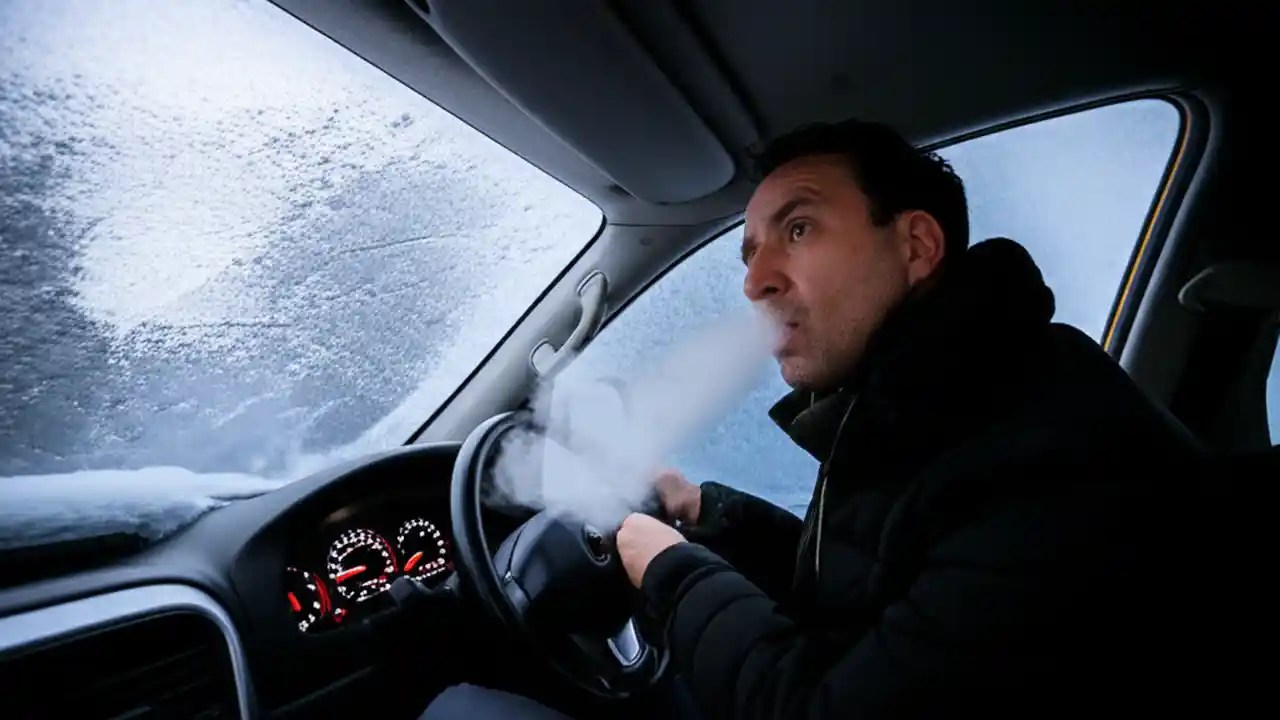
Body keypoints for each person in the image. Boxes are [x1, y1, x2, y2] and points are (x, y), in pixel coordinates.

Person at [428, 119, 1199, 718]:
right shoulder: (942, 398)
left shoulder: (1049, 448)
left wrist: (659, 563)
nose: (757, 281)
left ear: (917, 245)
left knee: (456, 709)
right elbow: (883, 596)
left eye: (798, 230)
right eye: (750, 253)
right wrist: (708, 516)